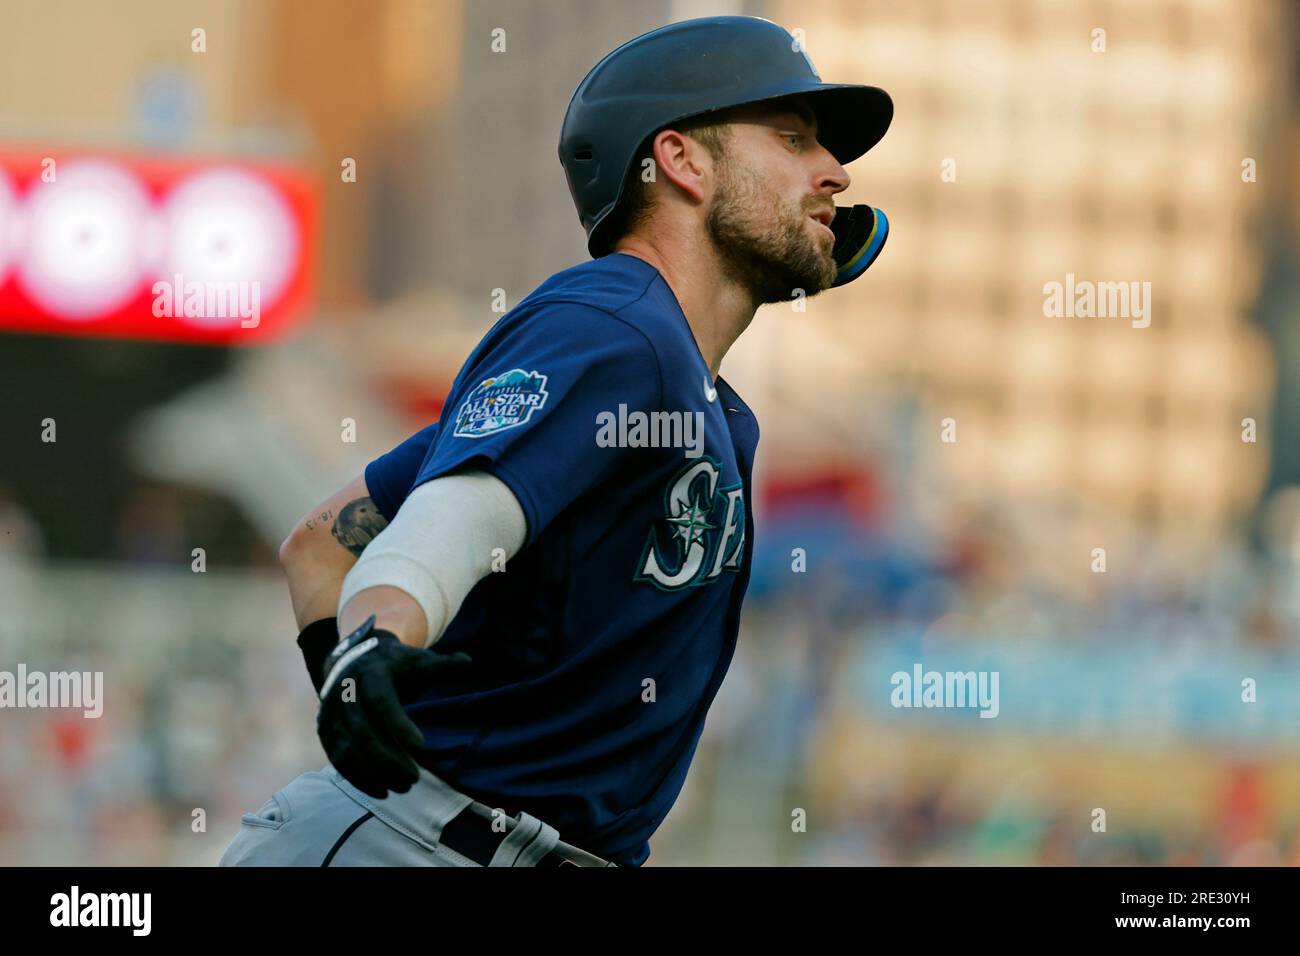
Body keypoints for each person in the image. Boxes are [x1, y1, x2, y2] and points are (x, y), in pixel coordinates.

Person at [220, 14, 892, 868]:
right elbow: (449, 529)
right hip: (412, 852)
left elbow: (318, 546)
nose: (835, 173)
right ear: (681, 160)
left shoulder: (692, 394)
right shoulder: (612, 324)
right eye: (794, 139)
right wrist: (374, 651)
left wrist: (365, 716)